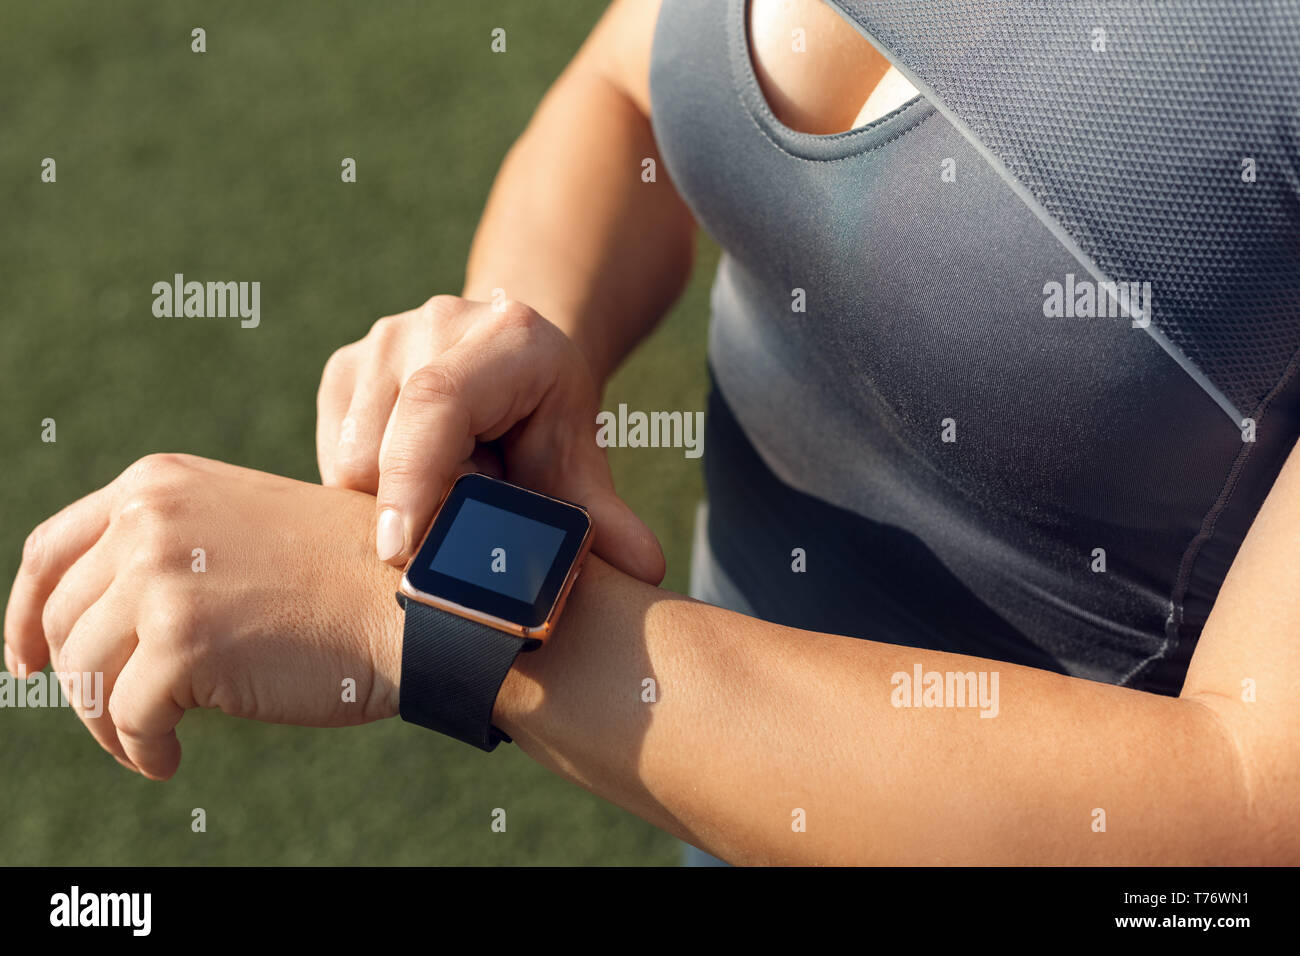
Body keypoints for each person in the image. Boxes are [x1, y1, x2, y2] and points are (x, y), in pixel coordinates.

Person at [5, 0, 1299, 865]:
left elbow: (1249, 799)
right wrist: (520, 342)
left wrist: (436, 618)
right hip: (715, 804)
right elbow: (627, 83)